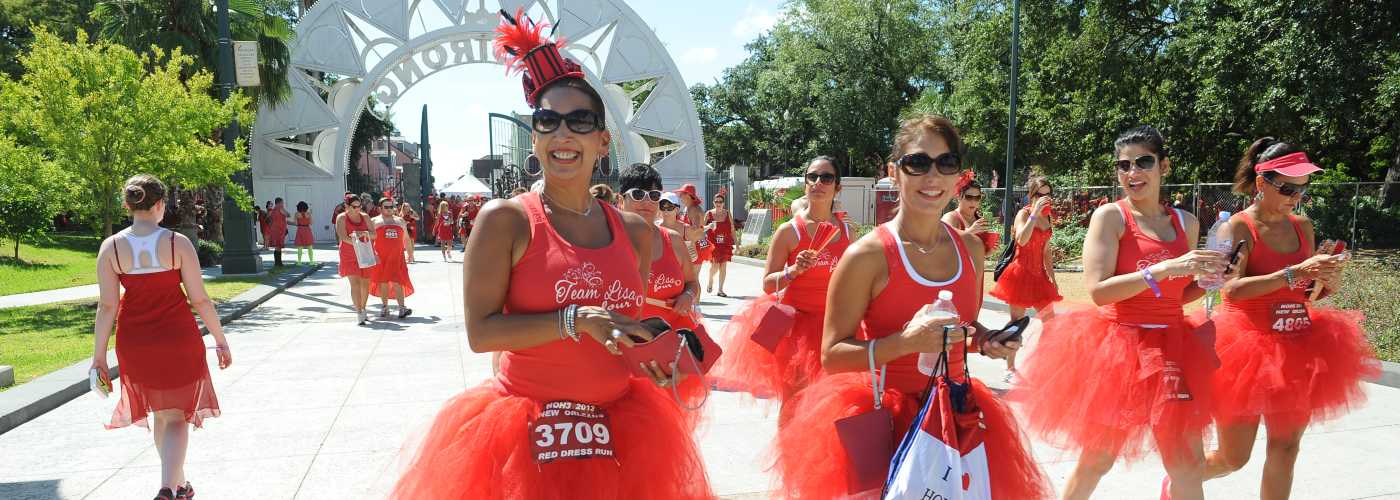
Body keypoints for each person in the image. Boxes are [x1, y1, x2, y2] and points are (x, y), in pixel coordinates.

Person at [391, 12, 712, 497]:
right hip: (530, 431)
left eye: (580, 121)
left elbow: (624, 324)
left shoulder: (634, 232)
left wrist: (650, 356)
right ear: (535, 138)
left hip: (623, 426)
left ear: (602, 141)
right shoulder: (506, 220)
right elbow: (481, 332)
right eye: (548, 121)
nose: (563, 134)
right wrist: (576, 319)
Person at [772, 115, 1050, 498]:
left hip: (955, 413)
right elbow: (833, 356)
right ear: (894, 172)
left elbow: (963, 327)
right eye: (918, 163)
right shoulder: (867, 256)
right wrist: (905, 342)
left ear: (957, 176)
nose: (932, 176)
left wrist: (987, 340)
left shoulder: (969, 249)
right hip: (889, 422)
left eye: (945, 163)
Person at [1012, 126, 1227, 500]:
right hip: (1120, 349)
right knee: (1098, 458)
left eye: (1144, 162)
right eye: (1124, 165)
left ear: (1164, 166)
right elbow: (1098, 291)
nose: (1133, 172)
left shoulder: (1185, 223)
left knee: (1186, 463)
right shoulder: (1111, 217)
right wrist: (1163, 269)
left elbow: (1178, 296)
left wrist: (1214, 280)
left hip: (1175, 349)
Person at [1200, 138, 1379, 498]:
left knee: (1285, 449)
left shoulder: (1303, 227)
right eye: (1287, 187)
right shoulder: (1234, 229)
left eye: (1301, 188)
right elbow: (1230, 289)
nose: (1295, 196)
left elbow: (1305, 291)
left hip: (1297, 346)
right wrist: (1294, 272)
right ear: (1261, 183)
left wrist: (1327, 280)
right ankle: (1181, 480)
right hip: (1243, 351)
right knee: (1234, 458)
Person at [91, 175, 231, 500]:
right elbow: (200, 299)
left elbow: (107, 305)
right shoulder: (177, 243)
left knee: (160, 414)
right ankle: (168, 488)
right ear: (159, 205)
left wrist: (99, 357)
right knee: (177, 416)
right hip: (177, 337)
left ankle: (179, 485)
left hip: (135, 341)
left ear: (128, 206)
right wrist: (220, 339)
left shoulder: (110, 248)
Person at [712, 155, 853, 404]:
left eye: (827, 177)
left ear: (837, 187)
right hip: (796, 331)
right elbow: (767, 284)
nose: (819, 182)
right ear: (806, 183)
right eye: (813, 177)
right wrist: (793, 271)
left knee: (830, 405)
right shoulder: (789, 231)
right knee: (794, 403)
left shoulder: (847, 231)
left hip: (836, 329)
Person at [617, 162, 709, 425]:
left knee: (666, 431)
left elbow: (693, 283)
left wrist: (687, 297)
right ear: (621, 198)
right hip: (624, 354)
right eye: (637, 194)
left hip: (671, 354)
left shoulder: (673, 240)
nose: (646, 201)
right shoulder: (605, 241)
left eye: (654, 195)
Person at [987, 175, 1062, 381]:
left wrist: (1052, 279)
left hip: (1039, 277)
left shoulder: (1048, 217)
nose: (1045, 198)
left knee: (1051, 323)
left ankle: (1041, 364)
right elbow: (1021, 238)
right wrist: (1034, 213)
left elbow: (1046, 252)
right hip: (1019, 274)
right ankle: (1009, 368)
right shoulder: (1024, 213)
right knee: (1017, 322)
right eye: (1040, 194)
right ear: (1032, 195)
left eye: (1048, 195)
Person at [370, 197, 414, 319]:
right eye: (386, 207)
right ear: (380, 208)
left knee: (397, 282)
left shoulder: (400, 221)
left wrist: (410, 254)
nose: (390, 209)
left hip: (397, 257)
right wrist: (372, 255)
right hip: (381, 258)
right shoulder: (374, 221)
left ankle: (402, 308)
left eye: (391, 207)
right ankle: (384, 307)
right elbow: (368, 240)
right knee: (383, 282)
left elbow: (406, 239)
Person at [336, 194, 377, 325]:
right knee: (355, 284)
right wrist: (356, 238)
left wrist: (364, 234)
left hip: (365, 253)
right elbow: (343, 237)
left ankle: (363, 308)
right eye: (354, 206)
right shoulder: (341, 218)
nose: (358, 209)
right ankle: (359, 312)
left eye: (360, 206)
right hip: (349, 254)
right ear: (347, 206)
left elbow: (374, 234)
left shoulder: (365, 217)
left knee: (366, 283)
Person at [941, 173, 999, 255]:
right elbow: (944, 243)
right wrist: (971, 231)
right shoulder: (951, 218)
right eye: (969, 197)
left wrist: (989, 251)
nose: (973, 202)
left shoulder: (979, 220)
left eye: (977, 198)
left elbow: (976, 254)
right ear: (959, 197)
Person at [705, 192, 736, 297]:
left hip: (725, 244)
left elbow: (732, 229)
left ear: (723, 203)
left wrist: (737, 244)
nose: (718, 203)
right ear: (713, 202)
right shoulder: (709, 214)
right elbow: (701, 228)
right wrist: (708, 226)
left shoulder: (727, 213)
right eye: (716, 201)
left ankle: (720, 290)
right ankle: (710, 279)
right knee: (715, 266)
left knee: (723, 266)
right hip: (713, 245)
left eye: (720, 201)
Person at [266, 198, 290, 267]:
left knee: (277, 246)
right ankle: (279, 263)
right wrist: (284, 209)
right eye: (282, 202)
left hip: (274, 230)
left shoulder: (272, 210)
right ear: (279, 203)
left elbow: (267, 219)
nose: (283, 204)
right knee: (279, 246)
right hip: (280, 230)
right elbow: (288, 215)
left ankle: (277, 263)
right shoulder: (280, 209)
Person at [293, 201, 315, 265]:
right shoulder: (308, 214)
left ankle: (299, 262)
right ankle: (311, 261)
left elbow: (296, 223)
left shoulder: (296, 214)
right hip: (307, 229)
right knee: (309, 246)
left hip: (300, 229)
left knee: (300, 246)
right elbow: (311, 223)